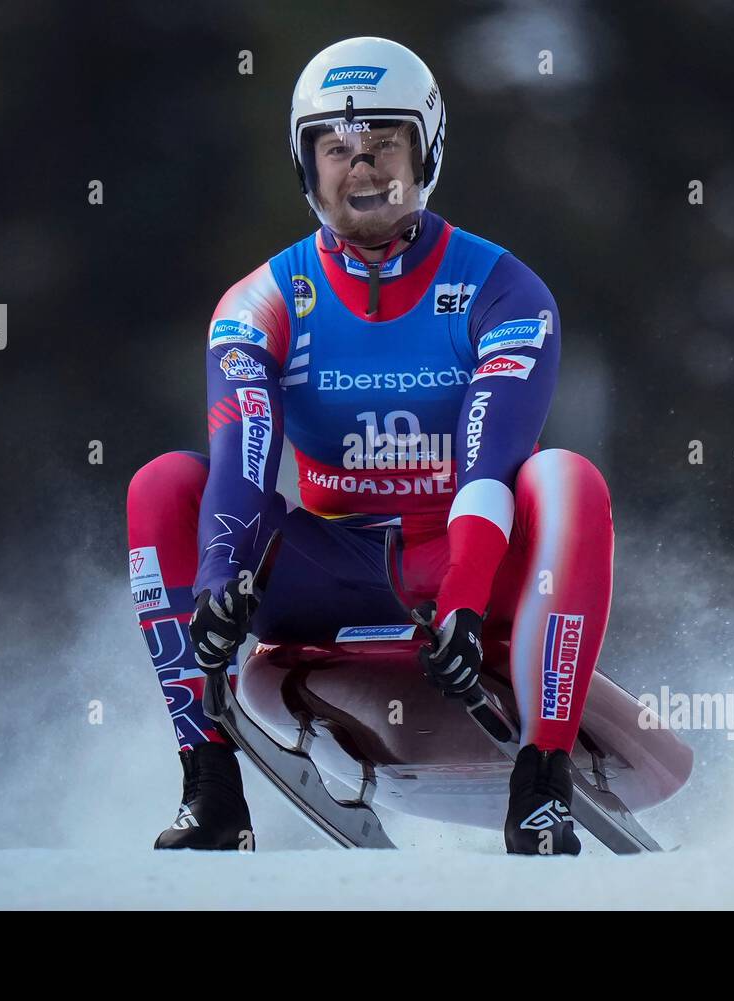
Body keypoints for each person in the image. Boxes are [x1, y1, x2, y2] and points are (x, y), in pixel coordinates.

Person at [127, 36, 614, 855]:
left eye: (383, 145)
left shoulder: (503, 290)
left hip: (464, 566)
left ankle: (542, 783)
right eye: (335, 149)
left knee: (567, 478)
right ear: (305, 164)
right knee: (162, 485)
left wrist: (461, 596)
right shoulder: (261, 301)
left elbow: (493, 462)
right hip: (329, 569)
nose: (360, 168)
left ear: (426, 154)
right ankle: (210, 787)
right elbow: (243, 457)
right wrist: (218, 580)